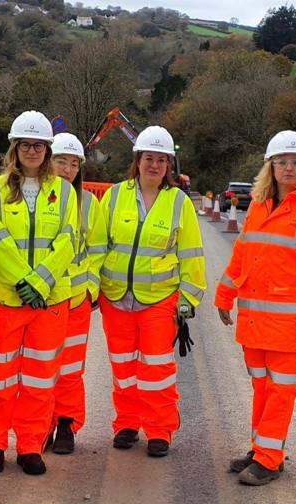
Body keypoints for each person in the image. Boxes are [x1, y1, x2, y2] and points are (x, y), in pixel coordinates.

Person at [215, 131, 296, 485]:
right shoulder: (258, 204)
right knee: (262, 387)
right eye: (282, 162)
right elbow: (243, 254)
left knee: (280, 390)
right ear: (270, 168)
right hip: (255, 319)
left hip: (290, 324)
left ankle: (269, 458)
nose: (289, 168)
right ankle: (263, 449)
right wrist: (224, 295)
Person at [0, 110, 78, 476]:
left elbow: (69, 239)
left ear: (47, 149)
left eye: (39, 145)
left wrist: (41, 283)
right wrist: (25, 281)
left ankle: (31, 446)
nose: (32, 151)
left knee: (39, 381)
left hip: (49, 302)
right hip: (2, 299)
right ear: (14, 148)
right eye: (26, 144)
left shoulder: (64, 191)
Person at [98, 126, 206, 458]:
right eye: (149, 158)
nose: (154, 165)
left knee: (157, 370)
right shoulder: (115, 196)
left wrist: (187, 301)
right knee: (123, 366)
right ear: (138, 160)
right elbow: (98, 246)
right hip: (115, 298)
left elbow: (192, 255)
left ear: (169, 166)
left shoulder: (178, 203)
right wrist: (90, 286)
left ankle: (159, 430)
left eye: (161, 160)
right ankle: (127, 424)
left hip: (159, 300)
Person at [44, 133, 106, 454]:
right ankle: (40, 427)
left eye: (73, 163)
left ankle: (66, 424)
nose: (67, 169)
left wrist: (90, 289)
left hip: (76, 300)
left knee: (69, 368)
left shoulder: (89, 204)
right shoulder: (39, 199)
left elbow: (96, 251)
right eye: (60, 161)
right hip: (44, 300)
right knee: (40, 367)